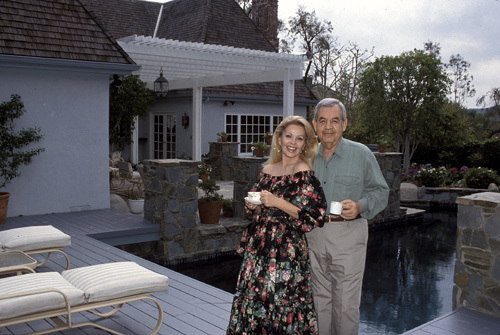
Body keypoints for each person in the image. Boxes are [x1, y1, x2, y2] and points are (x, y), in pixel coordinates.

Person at [227, 115, 327, 335]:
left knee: (281, 305)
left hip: (286, 253)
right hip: (259, 249)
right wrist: (256, 208)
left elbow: (315, 216)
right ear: (279, 139)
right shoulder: (268, 170)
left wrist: (278, 202)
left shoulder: (304, 174)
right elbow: (262, 207)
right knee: (255, 305)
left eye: (299, 139)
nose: (293, 143)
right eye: (288, 136)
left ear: (305, 144)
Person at [306, 98, 389, 335]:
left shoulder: (361, 154)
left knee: (345, 307)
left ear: (345, 124)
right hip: (314, 236)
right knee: (319, 301)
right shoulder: (308, 156)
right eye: (323, 121)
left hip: (348, 236)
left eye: (335, 121)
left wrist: (360, 205)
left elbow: (381, 192)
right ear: (314, 124)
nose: (328, 127)